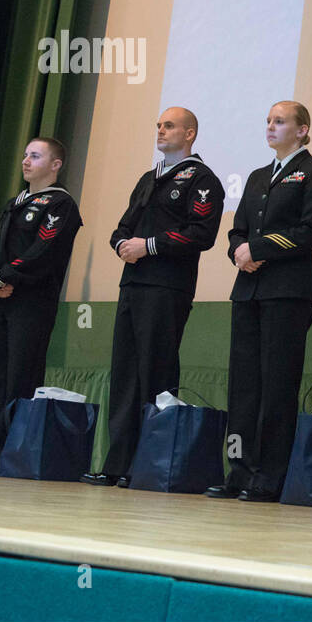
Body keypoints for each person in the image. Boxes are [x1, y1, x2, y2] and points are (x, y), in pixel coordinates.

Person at [82, 108, 225, 487]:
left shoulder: (203, 179)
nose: (160, 131)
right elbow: (123, 226)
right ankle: (118, 463)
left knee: (155, 371)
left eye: (169, 126)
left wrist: (148, 246)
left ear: (190, 133)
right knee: (126, 373)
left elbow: (201, 233)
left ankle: (149, 460)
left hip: (167, 287)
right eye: (158, 125)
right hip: (133, 285)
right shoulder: (150, 177)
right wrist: (121, 244)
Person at [205, 101, 312, 502]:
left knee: (277, 385)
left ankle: (269, 476)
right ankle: (239, 472)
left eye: (280, 121)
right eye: (267, 121)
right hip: (248, 290)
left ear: (302, 130)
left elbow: (311, 231)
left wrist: (259, 249)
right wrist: (240, 251)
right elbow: (236, 230)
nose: (271, 127)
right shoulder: (260, 175)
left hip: (287, 291)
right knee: (244, 385)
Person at [0, 138, 82, 474]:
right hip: (2, 299)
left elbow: (43, 250)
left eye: (35, 156)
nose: (25, 161)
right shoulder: (16, 202)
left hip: (32, 302)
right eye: (24, 155)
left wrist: (6, 277)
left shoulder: (60, 205)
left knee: (19, 377)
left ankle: (9, 454)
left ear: (55, 165)